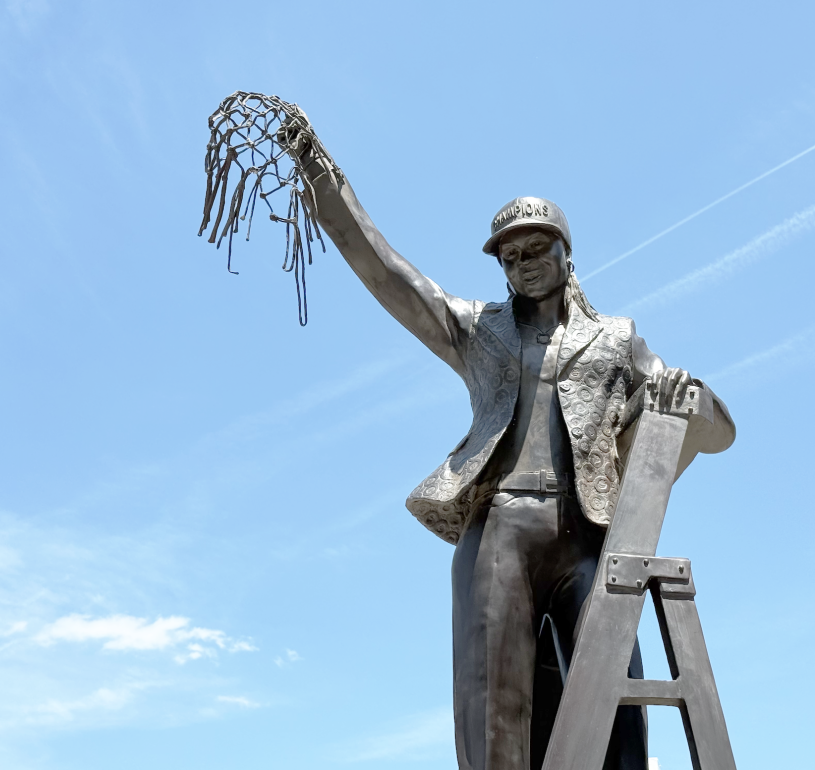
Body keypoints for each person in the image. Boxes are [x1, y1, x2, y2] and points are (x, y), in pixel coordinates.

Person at [291, 144, 735, 769]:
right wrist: (319, 176)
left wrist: (680, 393)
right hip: (499, 529)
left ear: (565, 252)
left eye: (536, 250)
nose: (523, 265)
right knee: (494, 723)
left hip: (589, 537)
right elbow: (389, 273)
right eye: (510, 256)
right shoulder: (477, 329)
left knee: (616, 721)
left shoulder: (616, 337)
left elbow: (709, 424)